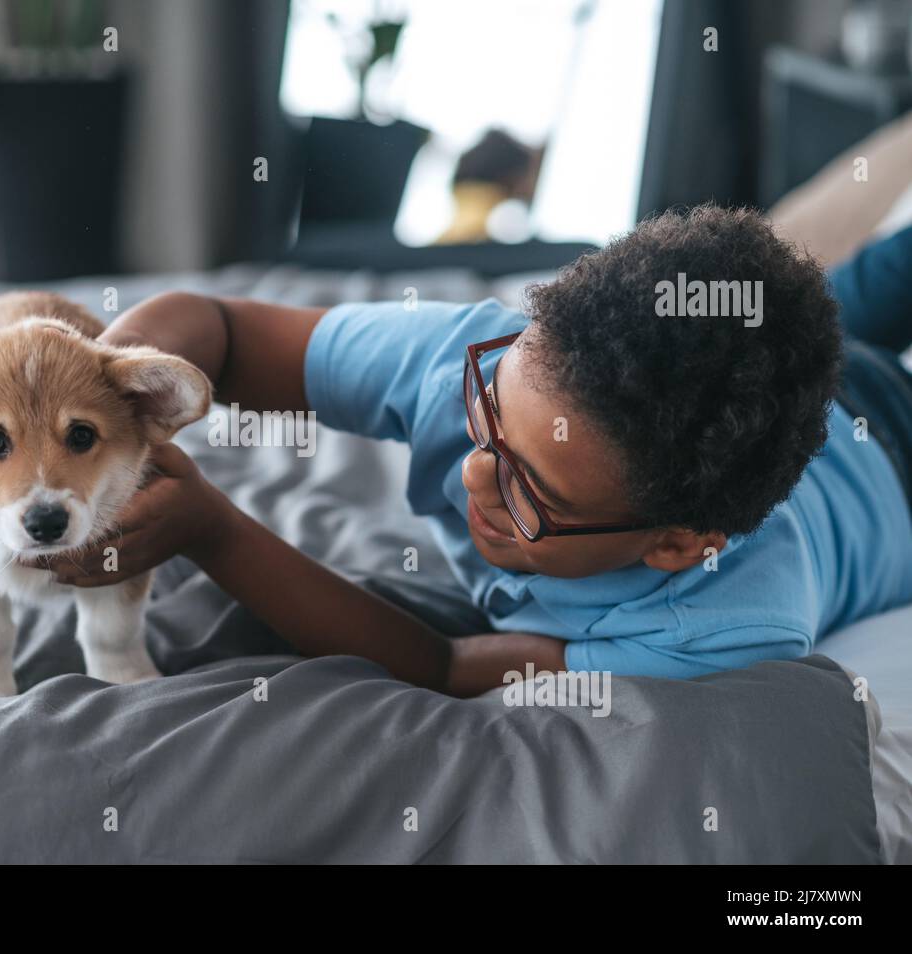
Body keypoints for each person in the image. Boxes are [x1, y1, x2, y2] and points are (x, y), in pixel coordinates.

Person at [52, 205, 912, 698]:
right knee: (867, 284)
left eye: (530, 492)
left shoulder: (719, 630)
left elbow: (447, 663)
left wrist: (217, 531)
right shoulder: (485, 361)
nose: (473, 469)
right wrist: (99, 389)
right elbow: (224, 330)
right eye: (484, 414)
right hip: (784, 370)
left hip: (894, 459)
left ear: (676, 545)